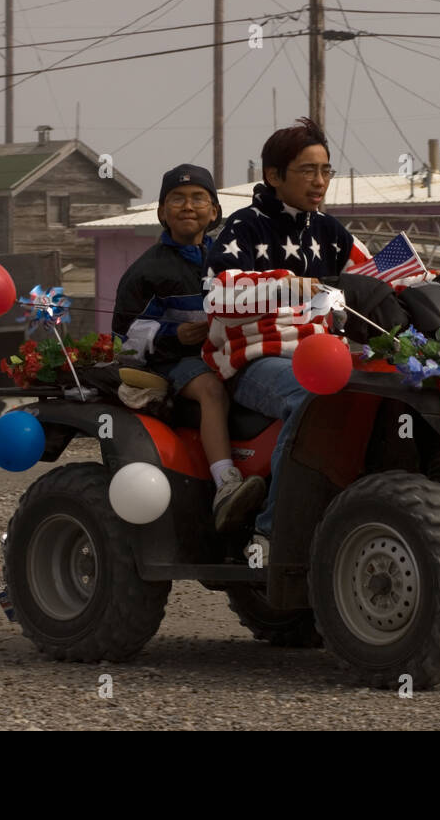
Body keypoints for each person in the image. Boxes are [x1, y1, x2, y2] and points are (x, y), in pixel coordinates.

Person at [203, 118, 360, 556]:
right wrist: (290, 285)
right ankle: (272, 532)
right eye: (307, 170)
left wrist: (436, 280)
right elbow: (218, 298)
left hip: (321, 354)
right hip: (253, 361)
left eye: (326, 170)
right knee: (312, 397)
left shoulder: (329, 232)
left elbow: (377, 274)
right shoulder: (244, 228)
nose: (320, 181)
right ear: (273, 175)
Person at [113, 164, 266, 530]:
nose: (187, 206)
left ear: (214, 211)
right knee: (212, 390)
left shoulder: (230, 261)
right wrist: (172, 335)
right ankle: (225, 484)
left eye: (199, 198)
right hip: (173, 364)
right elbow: (124, 336)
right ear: (162, 212)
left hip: (227, 354)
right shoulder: (146, 270)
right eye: (176, 199)